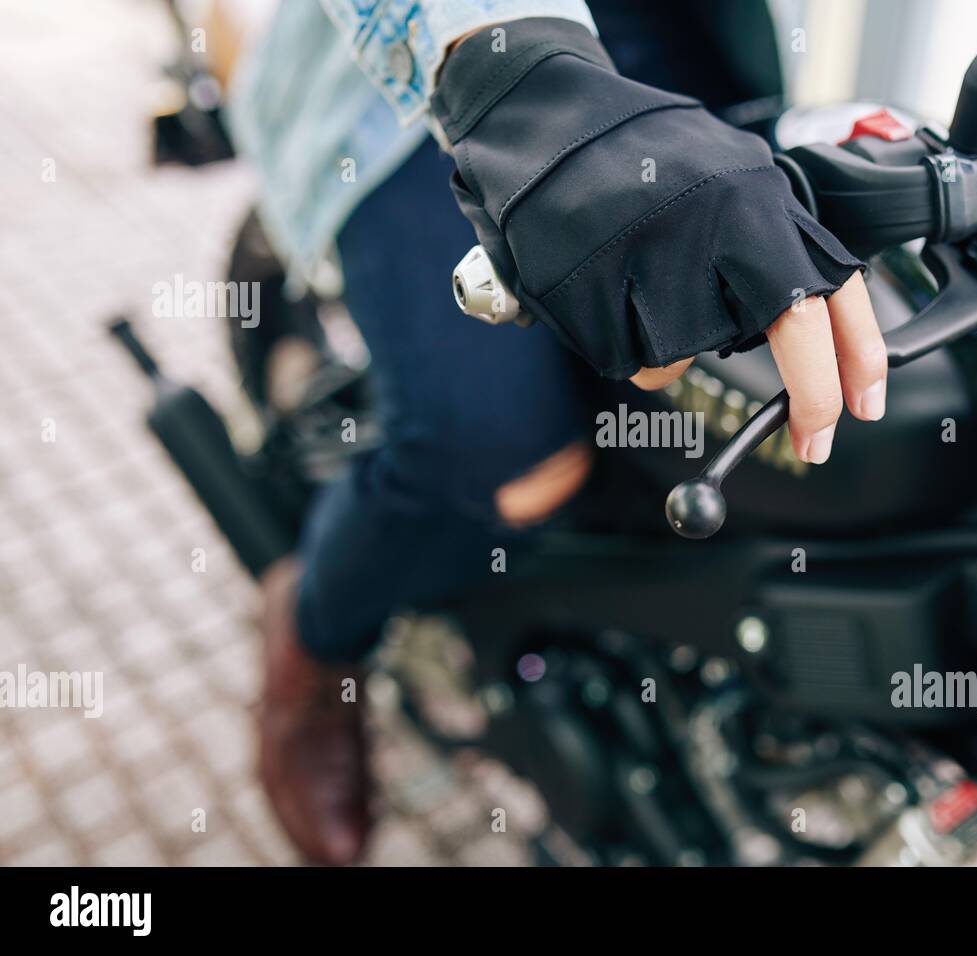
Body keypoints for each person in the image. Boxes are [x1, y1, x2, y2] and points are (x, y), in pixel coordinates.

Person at [227, 0, 888, 865]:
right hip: (422, 85)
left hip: (682, 40)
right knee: (501, 447)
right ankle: (312, 638)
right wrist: (525, 80)